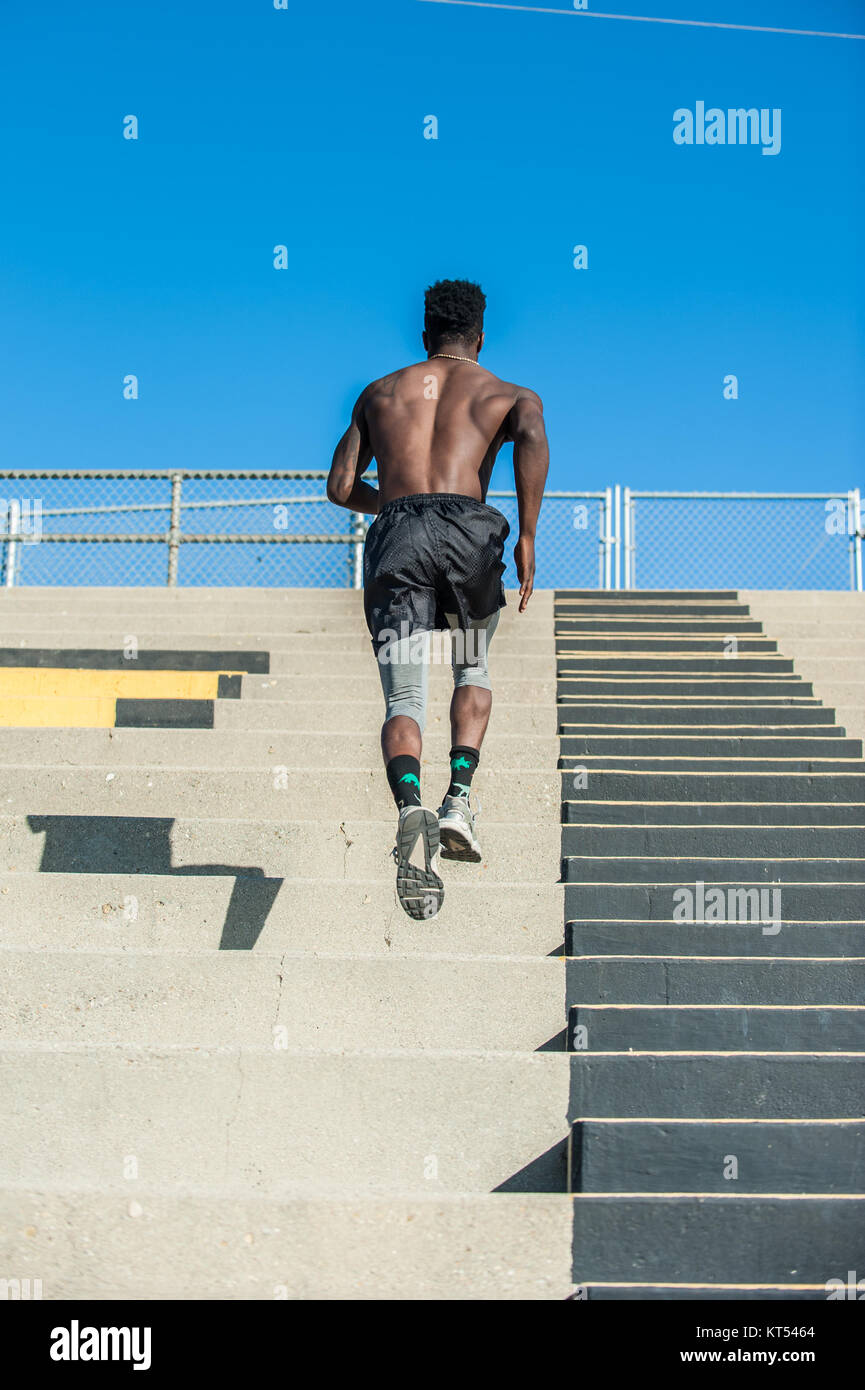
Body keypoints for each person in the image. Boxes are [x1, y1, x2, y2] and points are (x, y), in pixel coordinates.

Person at [326, 279, 549, 919]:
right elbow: (531, 433)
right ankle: (459, 799)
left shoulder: (381, 393)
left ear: (424, 337)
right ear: (480, 337)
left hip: (397, 537)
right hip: (469, 537)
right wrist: (528, 532)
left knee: (402, 697)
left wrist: (394, 503)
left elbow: (342, 487)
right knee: (472, 667)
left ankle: (409, 806)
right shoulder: (509, 394)